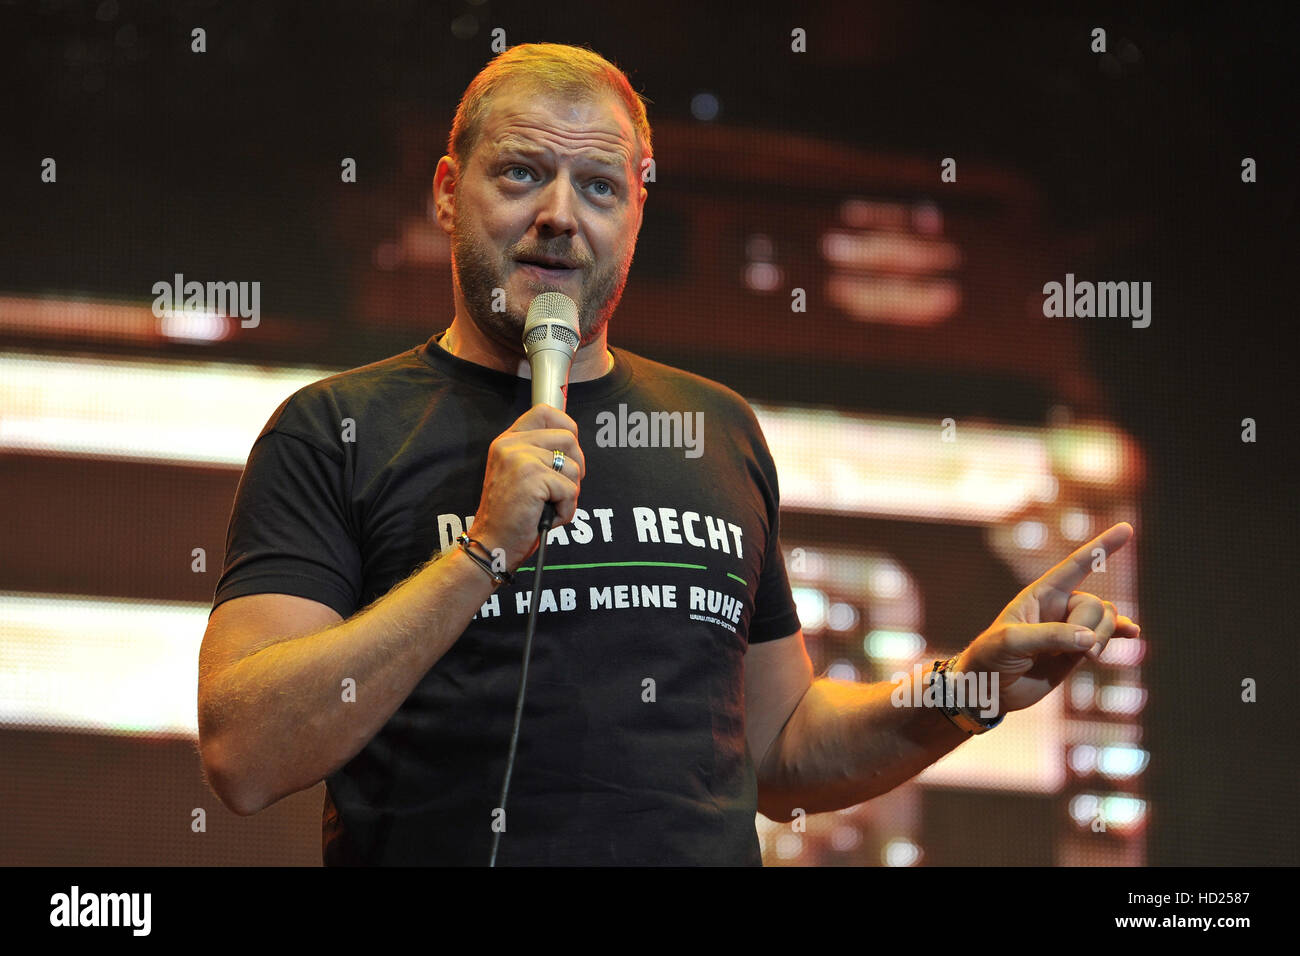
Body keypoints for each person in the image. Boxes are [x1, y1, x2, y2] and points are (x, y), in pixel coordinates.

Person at [197, 42, 1140, 866]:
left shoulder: (714, 428)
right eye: (521, 173)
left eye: (601, 186)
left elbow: (780, 748)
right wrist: (480, 552)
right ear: (448, 193)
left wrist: (963, 688)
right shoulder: (336, 429)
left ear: (638, 211)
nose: (561, 215)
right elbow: (246, 753)